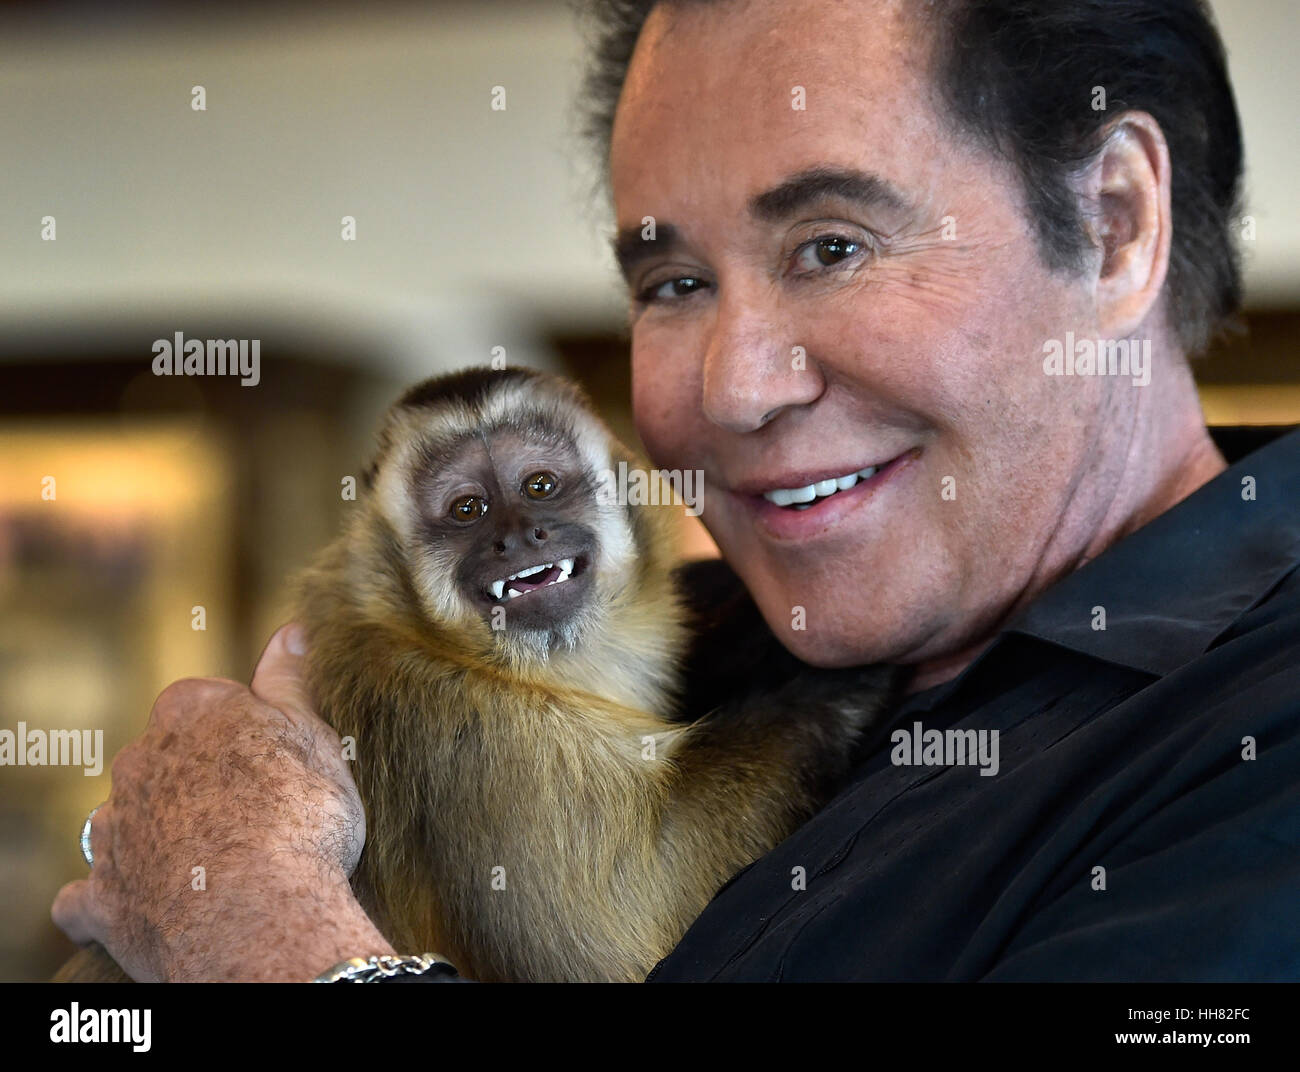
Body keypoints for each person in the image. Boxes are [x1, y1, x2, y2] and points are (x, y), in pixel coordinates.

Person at [52, 0, 1300, 981]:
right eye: (673, 284)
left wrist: (268, 941)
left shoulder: (1256, 749)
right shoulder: (674, 634)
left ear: (1113, 223)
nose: (735, 386)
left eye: (831, 246)